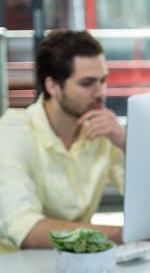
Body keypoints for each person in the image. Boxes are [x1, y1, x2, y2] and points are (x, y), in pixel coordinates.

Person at [0, 29, 125, 252]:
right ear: (53, 86)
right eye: (87, 83)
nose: (100, 93)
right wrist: (117, 234)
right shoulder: (13, 132)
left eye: (103, 81)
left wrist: (125, 142)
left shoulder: (103, 129)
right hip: (14, 271)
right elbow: (26, 229)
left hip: (76, 265)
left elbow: (147, 199)